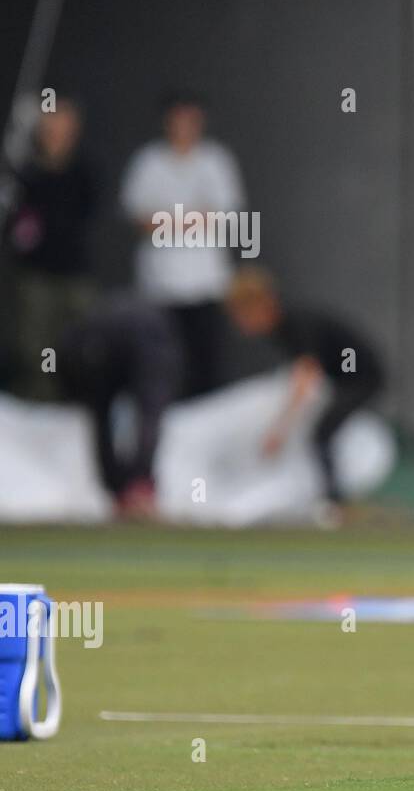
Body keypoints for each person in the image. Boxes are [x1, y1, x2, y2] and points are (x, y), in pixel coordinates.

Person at [225, 266, 385, 511]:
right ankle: (334, 500)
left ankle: (335, 504)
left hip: (362, 380)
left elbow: (306, 377)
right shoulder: (285, 328)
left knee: (321, 435)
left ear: (260, 305)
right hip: (346, 380)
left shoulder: (295, 325)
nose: (241, 324)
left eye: (242, 315)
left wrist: (280, 430)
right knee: (322, 433)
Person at [120, 90, 245, 399]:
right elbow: (141, 220)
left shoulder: (216, 161)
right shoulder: (148, 162)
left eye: (191, 119)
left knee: (206, 366)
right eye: (178, 119)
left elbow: (226, 215)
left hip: (206, 284)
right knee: (160, 363)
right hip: (160, 284)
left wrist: (169, 220)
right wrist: (193, 217)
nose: (184, 126)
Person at [56, 294, 184, 519]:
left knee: (138, 415)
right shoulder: (91, 344)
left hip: (116, 341)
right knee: (135, 415)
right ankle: (129, 491)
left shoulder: (150, 345)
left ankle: (135, 488)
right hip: (105, 343)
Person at [5, 99, 99, 401]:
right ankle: (41, 396)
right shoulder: (25, 174)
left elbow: (84, 211)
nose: (58, 134)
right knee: (38, 345)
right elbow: (16, 222)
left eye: (64, 128)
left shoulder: (83, 172)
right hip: (37, 275)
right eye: (51, 128)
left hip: (74, 273)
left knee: (82, 342)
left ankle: (76, 398)